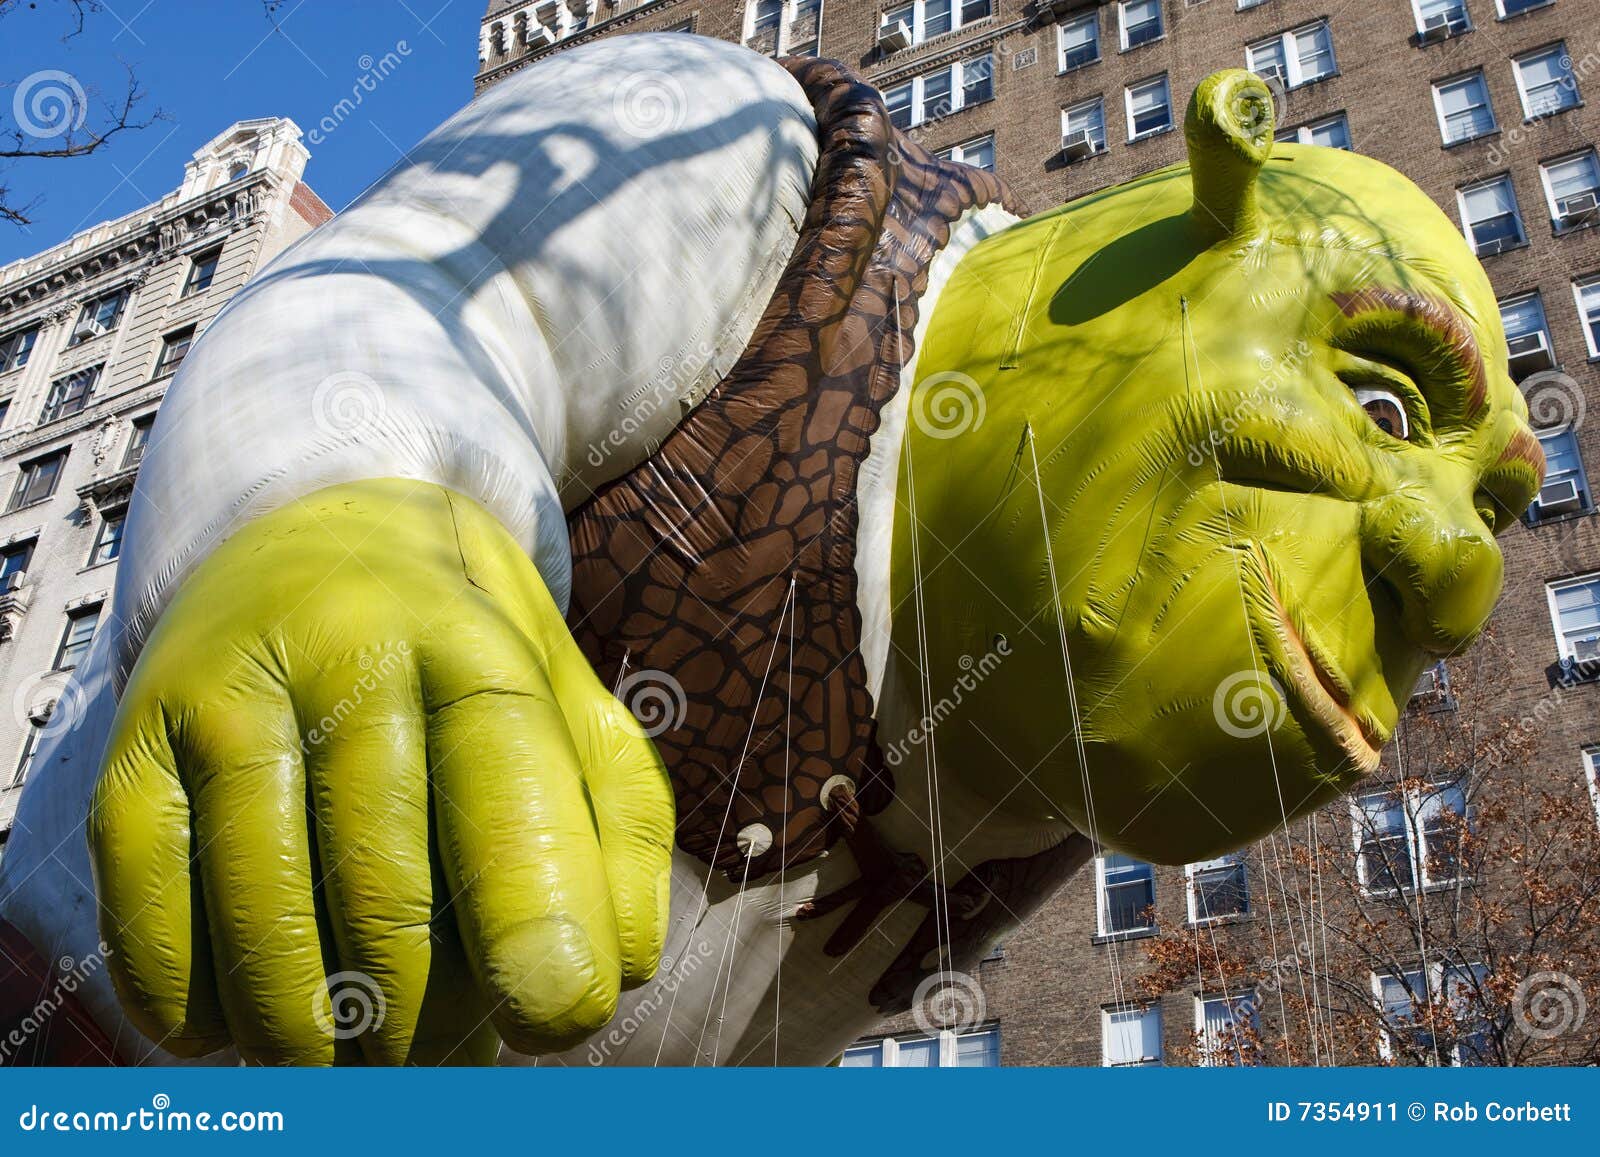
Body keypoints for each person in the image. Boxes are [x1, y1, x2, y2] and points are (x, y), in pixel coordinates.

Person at [0, 38, 1540, 1066]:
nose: (1457, 579)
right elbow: (405, 308)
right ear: (1212, 190)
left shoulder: (1062, 761)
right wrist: (346, 522)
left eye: (1495, 506)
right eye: (1382, 400)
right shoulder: (749, 161)